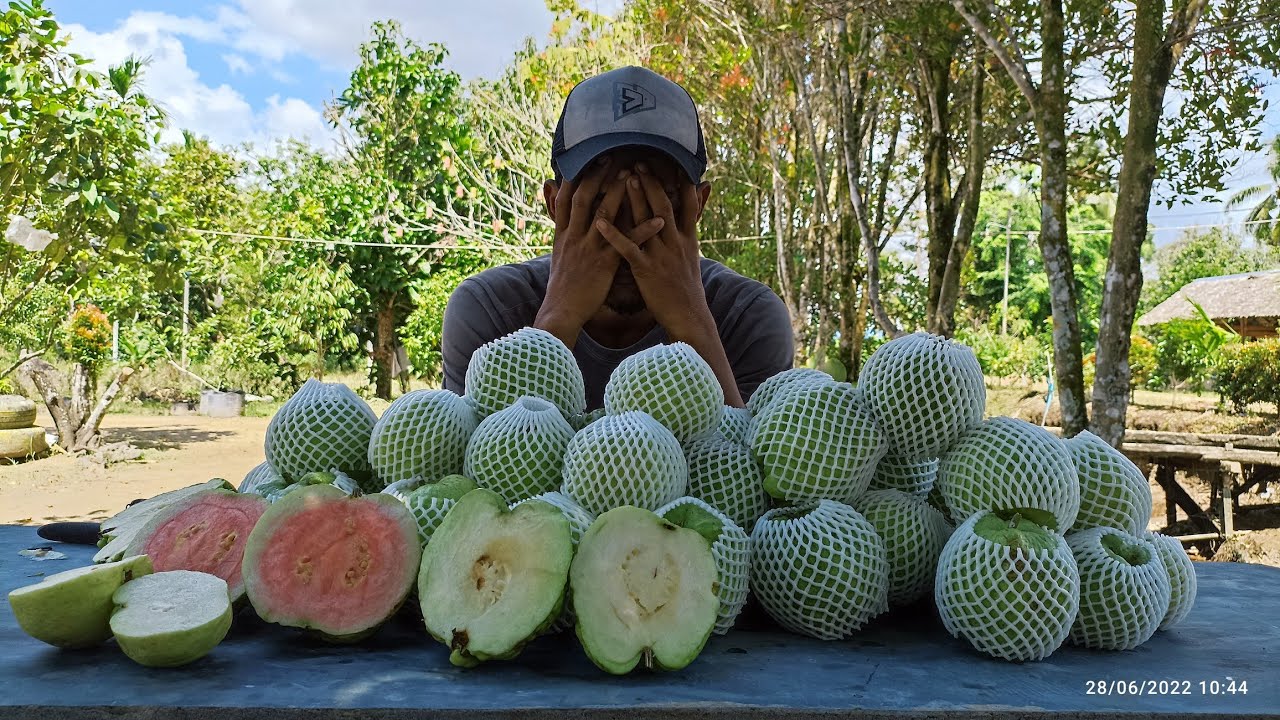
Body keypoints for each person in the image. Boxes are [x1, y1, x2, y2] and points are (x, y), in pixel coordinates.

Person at [441, 66, 793, 410]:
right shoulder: (489, 314)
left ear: (696, 206)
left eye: (655, 202)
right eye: (599, 203)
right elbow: (482, 464)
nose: (626, 234)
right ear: (555, 203)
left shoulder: (748, 319)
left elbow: (752, 465)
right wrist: (557, 320)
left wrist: (693, 324)